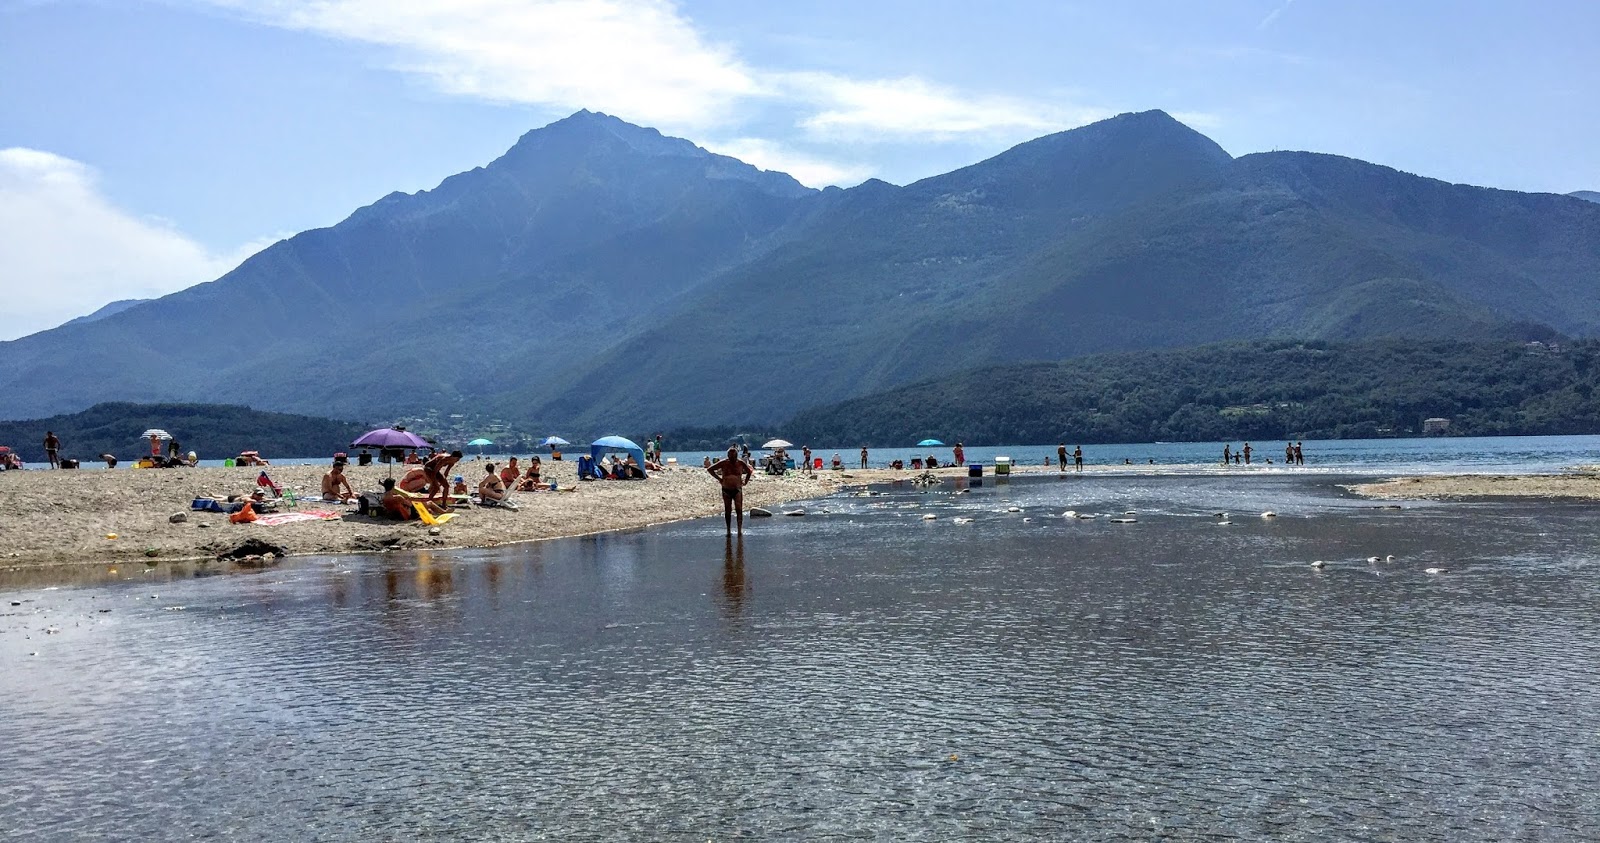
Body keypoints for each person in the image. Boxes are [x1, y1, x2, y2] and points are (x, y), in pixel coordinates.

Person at [708, 446, 754, 535]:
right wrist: (719, 479)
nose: (732, 456)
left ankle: (739, 530)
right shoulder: (724, 463)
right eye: (731, 455)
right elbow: (710, 469)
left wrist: (746, 481)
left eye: (734, 454)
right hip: (726, 489)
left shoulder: (740, 463)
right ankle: (728, 530)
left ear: (737, 455)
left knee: (739, 510)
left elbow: (749, 471)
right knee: (727, 510)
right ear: (728, 455)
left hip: (737, 489)